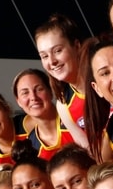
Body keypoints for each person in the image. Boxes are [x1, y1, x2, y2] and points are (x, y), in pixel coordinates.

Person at [34, 13, 90, 150]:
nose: (52, 61)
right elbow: (90, 152)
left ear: (76, 46)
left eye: (57, 51)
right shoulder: (64, 105)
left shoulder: (105, 80)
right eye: (44, 56)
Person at [12, 69, 78, 162]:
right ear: (18, 101)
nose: (33, 97)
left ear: (51, 92)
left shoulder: (74, 119)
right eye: (25, 93)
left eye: (39, 89)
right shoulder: (31, 147)